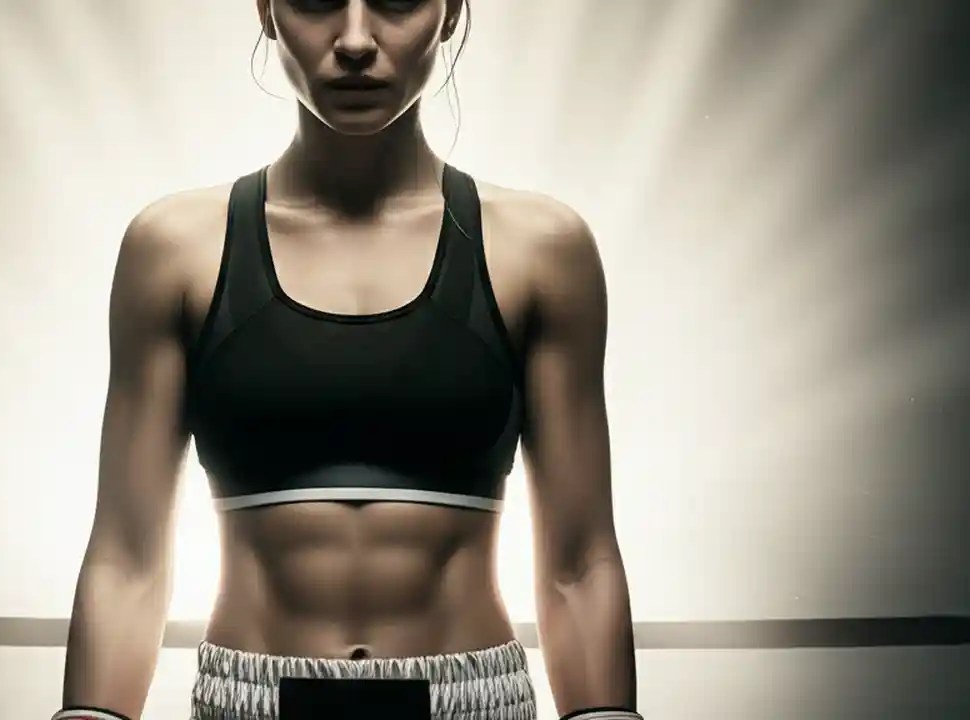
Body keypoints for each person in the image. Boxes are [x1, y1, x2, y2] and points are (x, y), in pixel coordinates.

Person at [54, 1, 641, 718]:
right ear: (267, 10)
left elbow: (581, 564)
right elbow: (125, 561)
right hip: (249, 700)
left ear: (451, 12)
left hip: (472, 699)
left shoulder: (540, 249)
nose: (357, 40)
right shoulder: (175, 250)